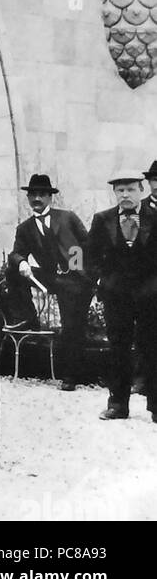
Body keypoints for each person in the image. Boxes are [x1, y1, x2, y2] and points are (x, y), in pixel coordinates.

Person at [7, 173, 93, 391]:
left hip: (74, 278)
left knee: (72, 326)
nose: (37, 199)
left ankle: (71, 376)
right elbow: (16, 253)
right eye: (32, 195)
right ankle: (28, 318)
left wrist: (88, 277)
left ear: (50, 197)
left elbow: (88, 246)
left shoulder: (67, 217)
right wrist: (22, 262)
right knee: (12, 270)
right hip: (50, 278)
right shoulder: (25, 228)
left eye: (42, 194)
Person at [86, 166, 157, 421]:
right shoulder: (102, 219)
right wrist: (101, 281)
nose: (125, 194)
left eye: (130, 189)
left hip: (150, 295)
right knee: (118, 349)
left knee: (152, 347)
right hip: (116, 295)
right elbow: (90, 256)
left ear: (141, 190)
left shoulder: (154, 216)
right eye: (119, 190)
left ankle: (156, 406)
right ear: (114, 193)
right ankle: (118, 404)